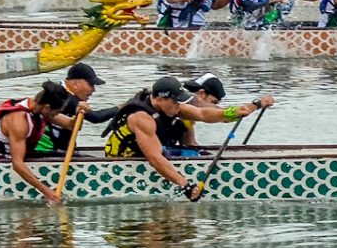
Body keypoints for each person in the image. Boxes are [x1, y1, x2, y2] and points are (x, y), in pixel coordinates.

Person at [102, 75, 275, 198]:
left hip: (148, 152)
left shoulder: (170, 106)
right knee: (170, 153)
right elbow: (155, 159)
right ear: (161, 99)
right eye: (176, 101)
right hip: (120, 162)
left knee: (193, 153)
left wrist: (235, 112)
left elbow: (203, 114)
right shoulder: (141, 118)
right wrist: (185, 185)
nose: (179, 106)